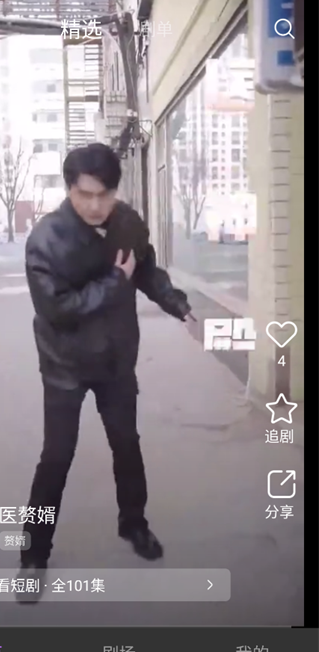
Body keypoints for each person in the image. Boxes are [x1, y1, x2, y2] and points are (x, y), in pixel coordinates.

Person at [18, 143, 192, 596]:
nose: (96, 205)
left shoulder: (127, 222)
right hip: (65, 365)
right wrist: (115, 281)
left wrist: (174, 301)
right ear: (69, 189)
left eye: (105, 194)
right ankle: (34, 554)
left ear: (116, 191)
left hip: (116, 359)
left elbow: (145, 268)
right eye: (85, 194)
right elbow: (58, 309)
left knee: (127, 444)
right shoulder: (46, 239)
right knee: (57, 457)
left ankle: (134, 524)